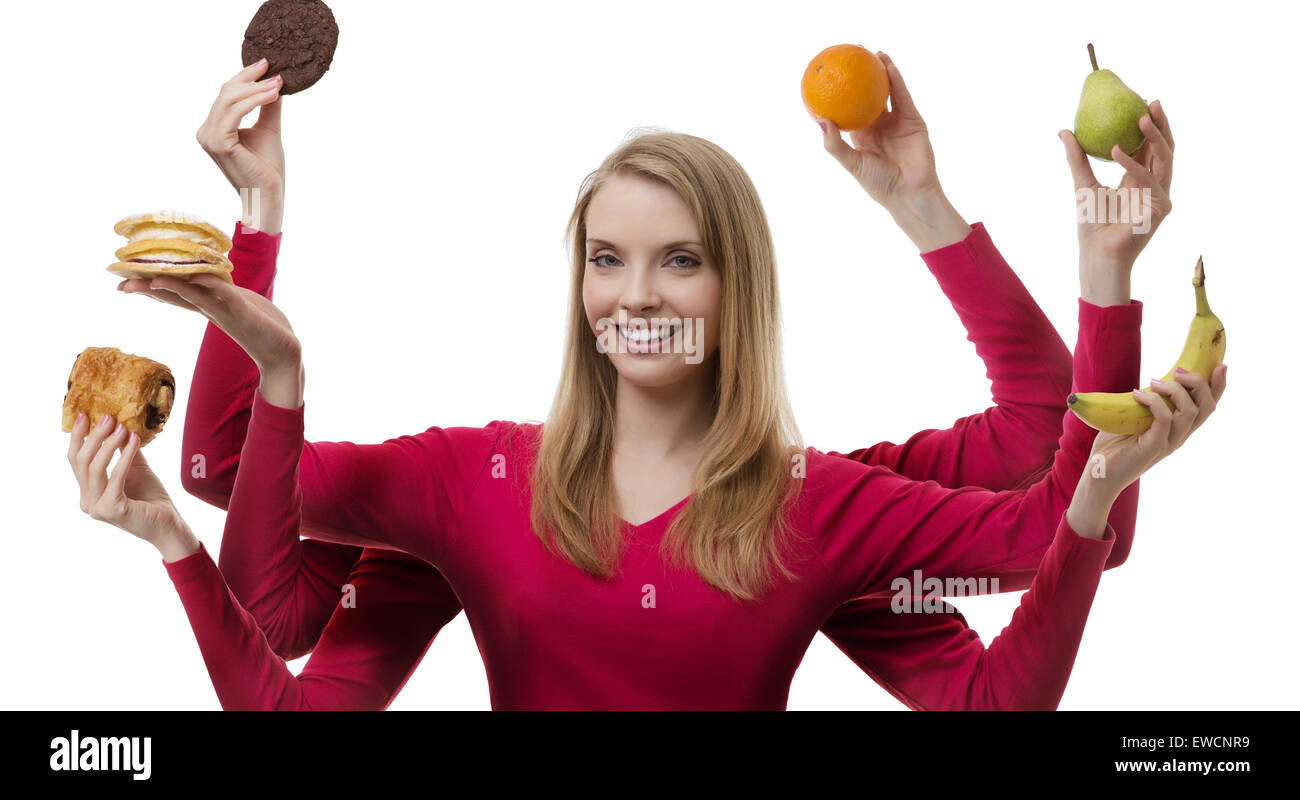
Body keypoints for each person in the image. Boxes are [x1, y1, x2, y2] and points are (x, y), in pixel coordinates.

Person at [70, 55, 1224, 709]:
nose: (639, 297)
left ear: (737, 293)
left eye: (682, 260)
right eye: (608, 259)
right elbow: (229, 470)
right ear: (576, 284)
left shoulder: (826, 504)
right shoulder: (472, 481)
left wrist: (1094, 272)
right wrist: (258, 245)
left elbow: (1066, 515)